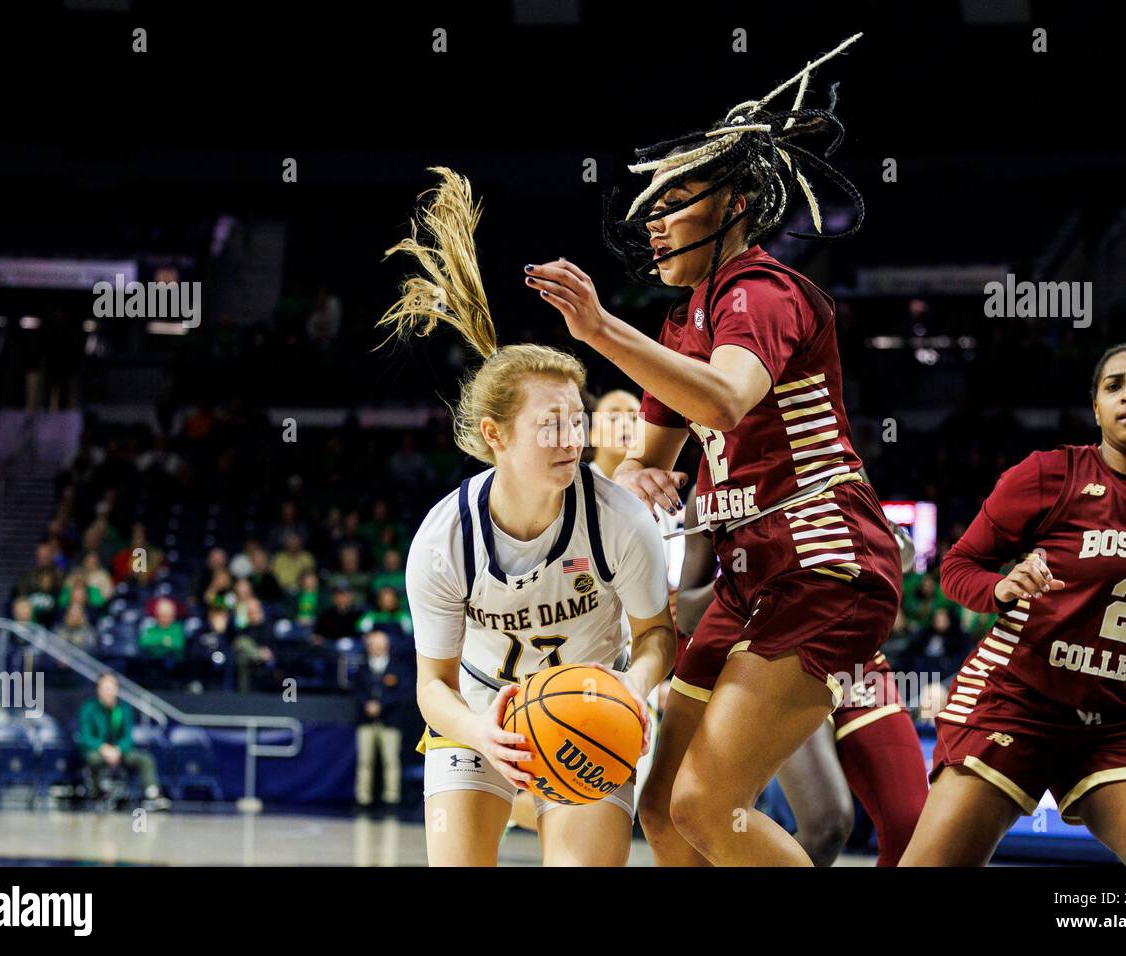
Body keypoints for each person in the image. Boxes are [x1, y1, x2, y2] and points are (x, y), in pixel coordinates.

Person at [525, 37, 900, 866]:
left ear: (732, 204)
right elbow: (632, 469)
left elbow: (727, 398)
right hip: (747, 578)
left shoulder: (760, 291)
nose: (650, 220)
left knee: (708, 801)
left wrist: (596, 330)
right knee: (661, 809)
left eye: (673, 202)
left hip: (821, 561)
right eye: (649, 207)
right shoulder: (681, 321)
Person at [380, 168, 676, 866]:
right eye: (550, 425)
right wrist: (482, 734)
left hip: (590, 714)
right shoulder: (444, 538)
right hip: (477, 715)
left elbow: (657, 635)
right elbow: (432, 686)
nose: (570, 439)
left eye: (576, 422)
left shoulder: (619, 519)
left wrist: (630, 691)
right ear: (496, 436)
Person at [902, 343, 1126, 866]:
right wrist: (1001, 587)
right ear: (1097, 409)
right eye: (1114, 386)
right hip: (1016, 701)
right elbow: (958, 565)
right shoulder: (1048, 474)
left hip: (1121, 717)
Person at [670, 480, 928, 866]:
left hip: (857, 660)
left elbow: (899, 557)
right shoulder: (707, 490)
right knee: (828, 824)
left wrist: (894, 543)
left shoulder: (826, 451)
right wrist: (752, 575)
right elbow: (687, 613)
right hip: (771, 660)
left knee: (912, 825)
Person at [77, 673, 168, 809]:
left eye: (111, 688)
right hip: (98, 751)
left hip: (120, 752)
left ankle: (153, 795)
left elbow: (127, 737)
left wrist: (118, 750)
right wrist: (103, 749)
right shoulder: (89, 709)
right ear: (98, 690)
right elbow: (85, 736)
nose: (108, 692)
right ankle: (99, 793)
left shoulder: (124, 709)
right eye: (105, 688)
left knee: (145, 759)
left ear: (117, 690)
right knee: (93, 759)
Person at [353, 630, 413, 814]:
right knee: (364, 761)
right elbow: (356, 690)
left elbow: (404, 693)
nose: (376, 648)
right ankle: (363, 798)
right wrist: (367, 704)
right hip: (366, 721)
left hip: (390, 721)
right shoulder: (363, 667)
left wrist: (382, 705)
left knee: (391, 760)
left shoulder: (397, 667)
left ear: (386, 646)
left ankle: (391, 798)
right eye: (372, 644)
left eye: (379, 644)